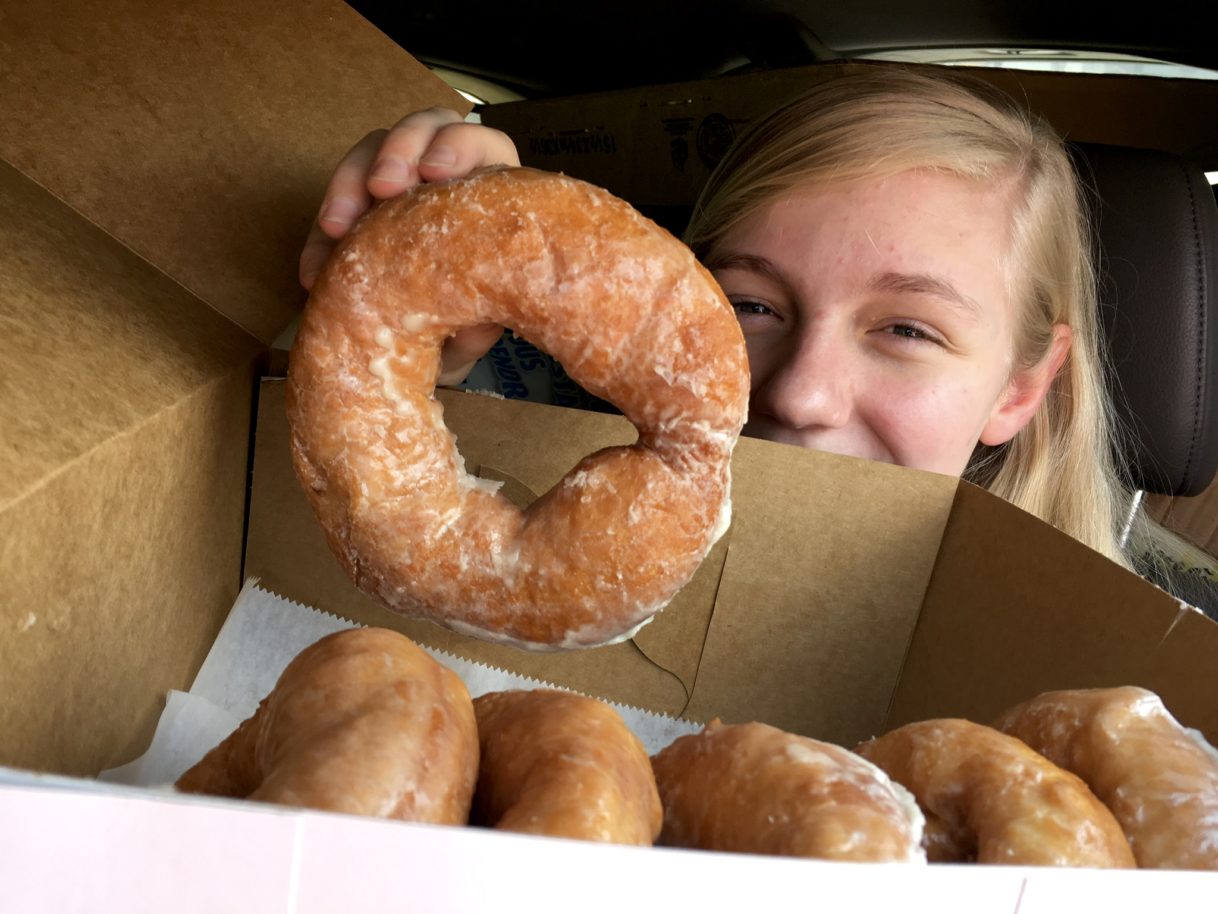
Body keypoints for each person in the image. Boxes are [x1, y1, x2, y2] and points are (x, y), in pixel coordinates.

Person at [298, 65, 1217, 615]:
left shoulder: (1117, 674)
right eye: (750, 306)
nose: (798, 397)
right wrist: (430, 338)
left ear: (1020, 389)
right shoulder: (548, 454)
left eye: (906, 328)